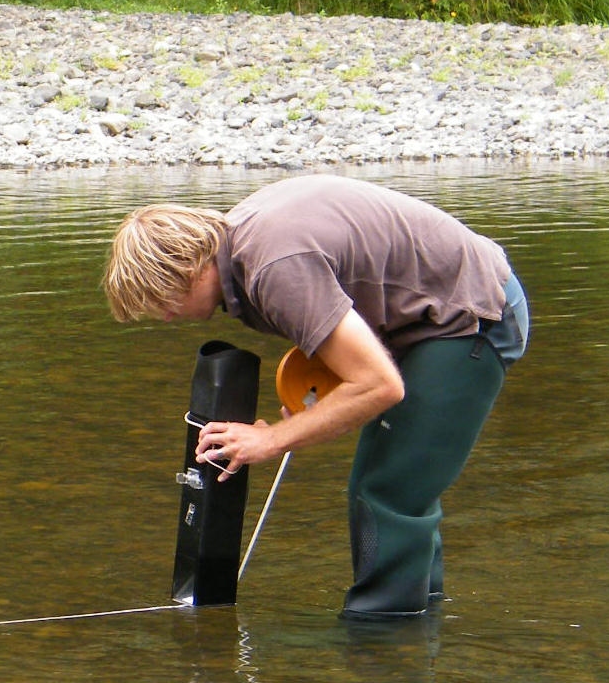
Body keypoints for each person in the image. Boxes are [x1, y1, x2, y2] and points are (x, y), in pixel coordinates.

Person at [104, 174, 530, 618]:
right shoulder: (244, 246)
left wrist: (272, 440)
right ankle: (420, 619)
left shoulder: (272, 267)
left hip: (472, 314)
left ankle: (380, 640)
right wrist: (303, 413)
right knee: (400, 481)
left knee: (388, 490)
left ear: (186, 268)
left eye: (158, 299)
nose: (163, 315)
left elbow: (379, 385)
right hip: (419, 321)